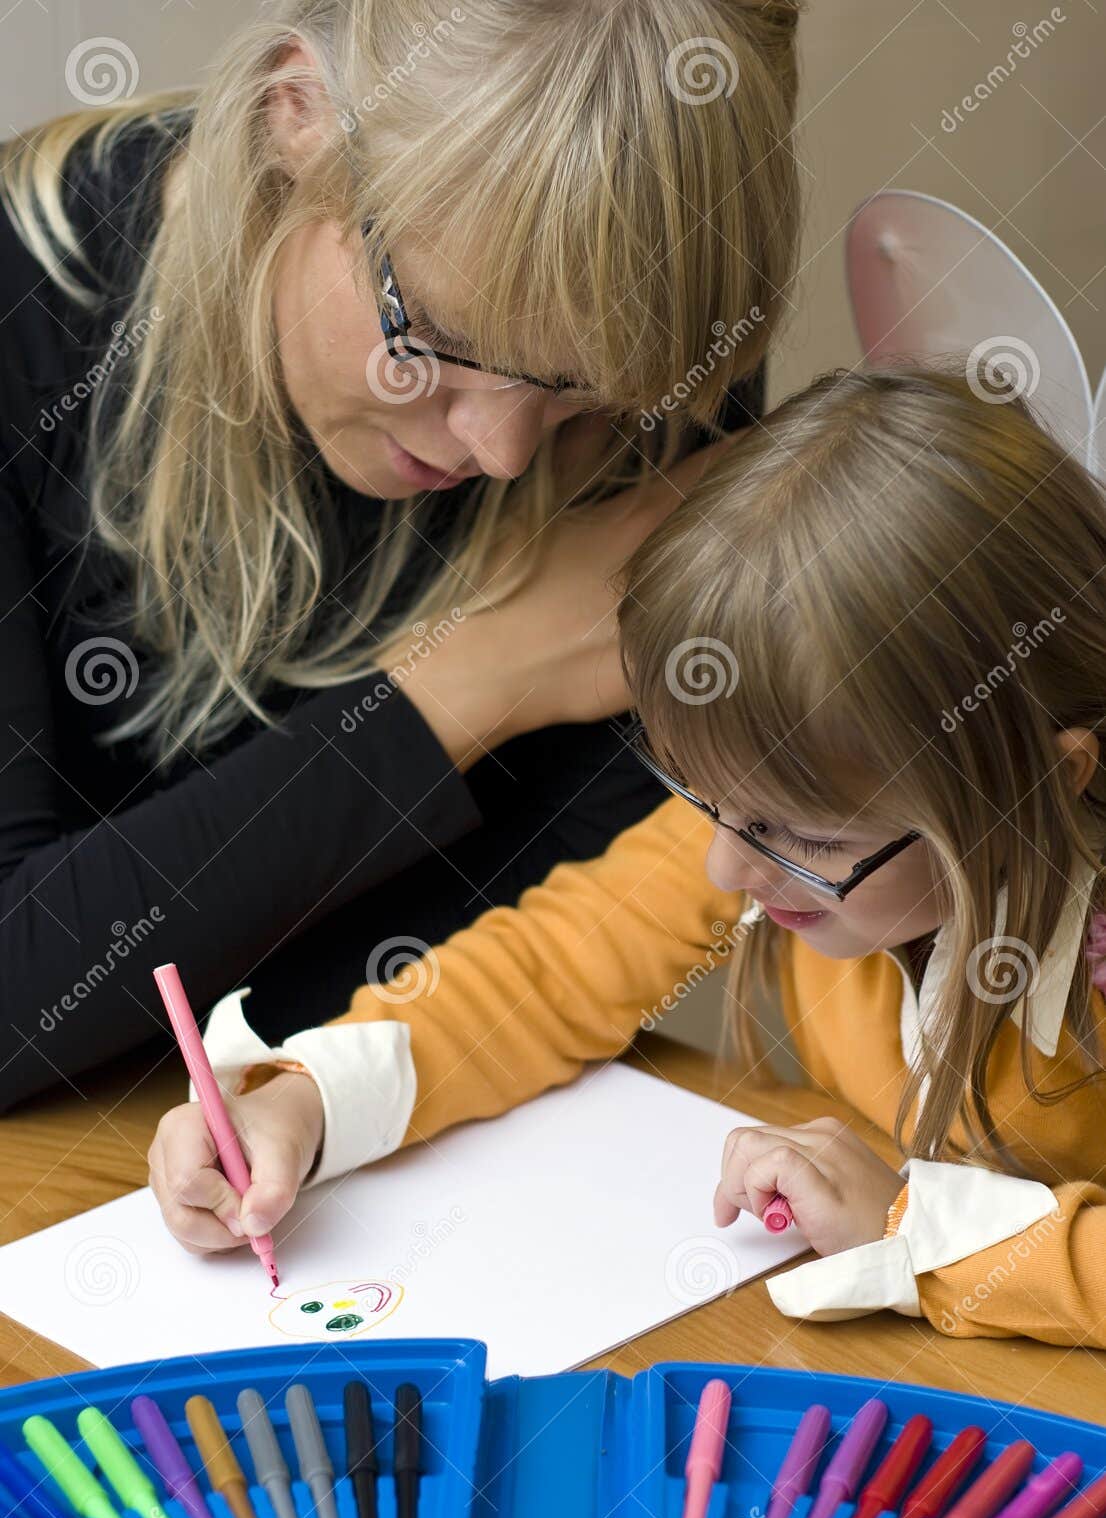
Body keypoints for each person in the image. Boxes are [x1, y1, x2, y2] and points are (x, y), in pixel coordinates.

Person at [152, 368, 1106, 1349]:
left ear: (1042, 782)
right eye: (703, 798)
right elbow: (549, 971)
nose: (726, 869)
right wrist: (306, 1109)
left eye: (806, 838)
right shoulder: (761, 825)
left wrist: (916, 1231)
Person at [0, 0, 800, 1107]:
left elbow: (531, 945)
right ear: (300, 116)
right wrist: (476, 679)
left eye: (574, 394)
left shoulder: (645, 364)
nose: (504, 452)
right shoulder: (23, 318)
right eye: (436, 344)